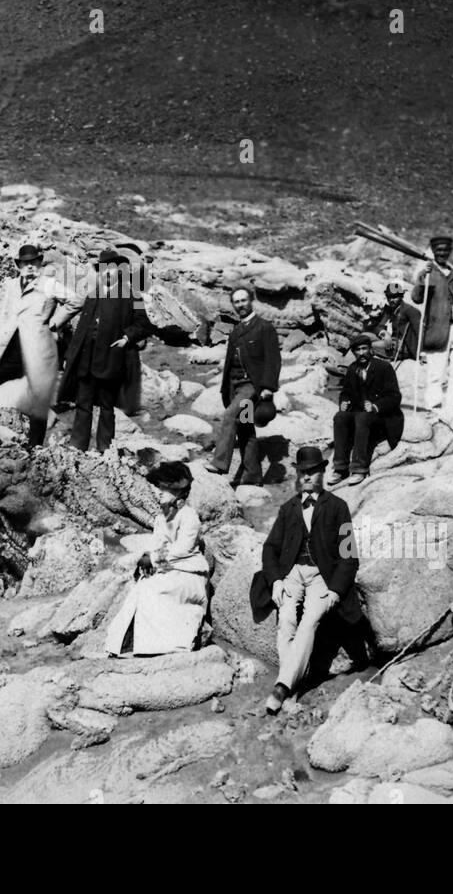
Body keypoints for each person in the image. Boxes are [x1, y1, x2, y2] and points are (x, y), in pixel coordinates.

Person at [251, 446, 362, 714]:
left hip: (321, 577)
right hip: (292, 574)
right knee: (286, 617)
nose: (307, 477)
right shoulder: (288, 509)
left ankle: (282, 687)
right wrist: (276, 580)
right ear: (297, 476)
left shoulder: (338, 507)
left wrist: (336, 589)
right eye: (303, 473)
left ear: (322, 473)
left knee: (310, 620)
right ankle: (293, 684)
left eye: (313, 472)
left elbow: (349, 556)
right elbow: (270, 548)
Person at [0, 245, 83, 447]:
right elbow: (6, 312)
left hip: (36, 348)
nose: (30, 267)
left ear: (39, 263)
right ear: (19, 265)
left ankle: (35, 446)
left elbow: (77, 300)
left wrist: (54, 323)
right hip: (9, 346)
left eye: (33, 262)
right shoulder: (12, 285)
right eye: (25, 263)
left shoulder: (49, 284)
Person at [104, 461, 210, 656]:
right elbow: (157, 544)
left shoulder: (189, 517)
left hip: (189, 573)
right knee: (142, 587)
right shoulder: (162, 518)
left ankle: (170, 643)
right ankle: (130, 644)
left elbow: (182, 550)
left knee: (156, 589)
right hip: (169, 569)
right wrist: (146, 557)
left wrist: (152, 559)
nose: (158, 492)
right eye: (159, 488)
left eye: (164, 489)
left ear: (178, 493)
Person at [58, 248, 154, 453]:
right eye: (103, 269)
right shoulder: (94, 294)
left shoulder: (131, 294)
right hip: (87, 358)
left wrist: (126, 338)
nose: (107, 273)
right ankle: (78, 446)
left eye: (111, 268)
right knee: (83, 404)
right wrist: (70, 355)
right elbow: (82, 328)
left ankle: (105, 448)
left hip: (111, 359)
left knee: (106, 407)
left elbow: (144, 324)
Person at [207, 285, 280, 483]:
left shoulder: (265, 327)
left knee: (230, 415)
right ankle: (253, 476)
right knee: (245, 429)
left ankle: (220, 463)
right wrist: (225, 389)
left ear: (251, 301)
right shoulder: (236, 331)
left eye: (243, 300)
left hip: (251, 387)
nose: (240, 305)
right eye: (236, 302)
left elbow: (273, 360)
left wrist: (267, 387)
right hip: (234, 387)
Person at [331, 333, 404, 485]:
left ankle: (359, 469)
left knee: (362, 417)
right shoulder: (352, 369)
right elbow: (346, 393)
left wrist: (376, 406)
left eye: (365, 349)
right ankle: (340, 467)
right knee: (340, 417)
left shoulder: (384, 367)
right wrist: (343, 402)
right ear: (354, 352)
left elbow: (395, 396)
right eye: (358, 350)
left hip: (383, 417)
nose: (362, 353)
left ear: (371, 349)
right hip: (361, 416)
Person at [411, 235, 453, 411]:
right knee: (436, 371)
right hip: (437, 328)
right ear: (434, 251)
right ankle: (434, 407)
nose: (442, 253)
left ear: (449, 252)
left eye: (445, 250)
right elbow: (416, 298)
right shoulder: (429, 274)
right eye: (439, 250)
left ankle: (452, 406)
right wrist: (423, 278)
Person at [369, 281, 419, 361]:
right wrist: (384, 333)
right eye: (389, 297)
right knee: (365, 337)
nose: (391, 300)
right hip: (393, 341)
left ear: (401, 296)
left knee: (368, 347)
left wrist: (422, 353)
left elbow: (420, 332)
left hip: (404, 346)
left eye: (395, 297)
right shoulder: (390, 309)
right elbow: (379, 326)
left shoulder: (410, 310)